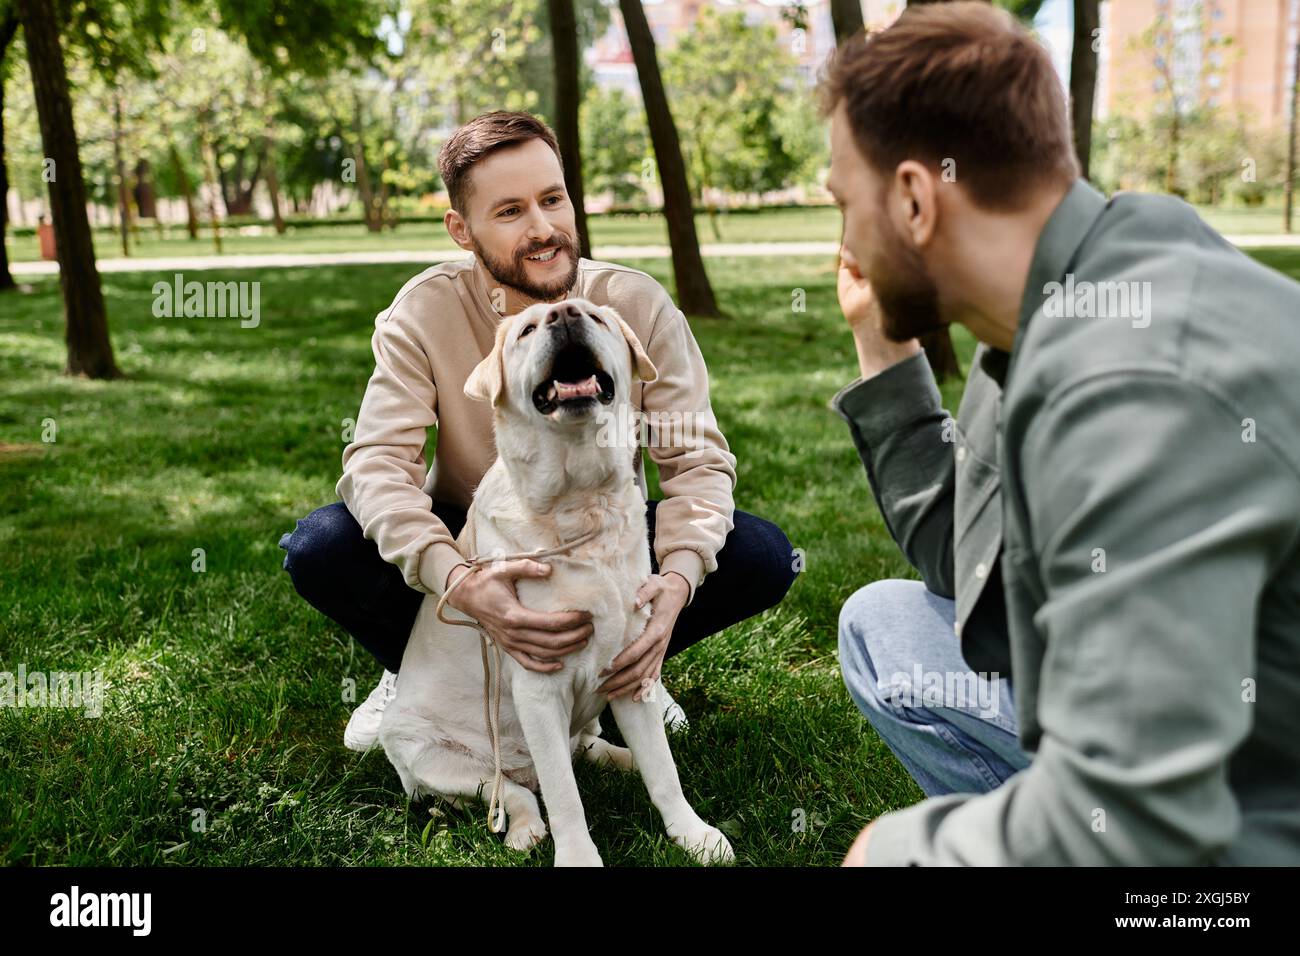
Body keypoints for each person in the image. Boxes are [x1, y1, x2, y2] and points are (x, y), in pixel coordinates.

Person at [823, 2, 1300, 864]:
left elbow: (1150, 820)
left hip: (1250, 812)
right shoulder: (1068, 292)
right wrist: (880, 342)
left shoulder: (1134, 387)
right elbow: (965, 571)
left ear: (913, 200)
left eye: (844, 202)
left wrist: (896, 852)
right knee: (882, 626)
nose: (847, 239)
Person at [280, 111, 798, 752]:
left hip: (607, 536)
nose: (544, 229)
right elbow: (378, 464)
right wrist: (459, 581)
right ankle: (413, 668)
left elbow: (696, 462)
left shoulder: (635, 304)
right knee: (322, 545)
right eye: (510, 212)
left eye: (553, 199)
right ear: (461, 230)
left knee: (760, 554)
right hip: (476, 534)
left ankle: (624, 667)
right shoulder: (423, 310)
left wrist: (677, 582)